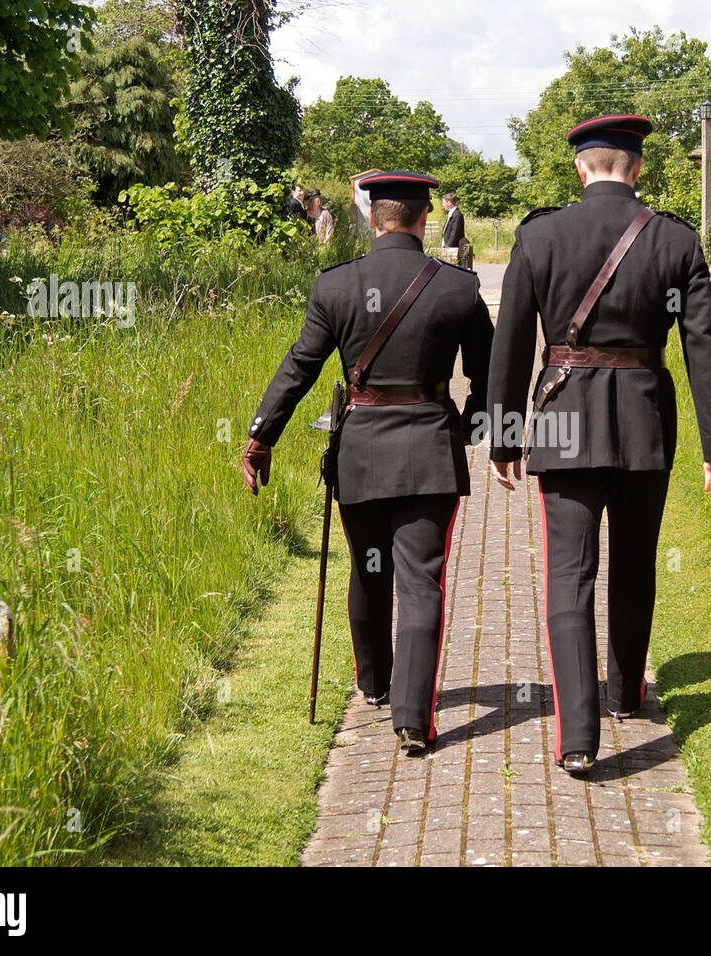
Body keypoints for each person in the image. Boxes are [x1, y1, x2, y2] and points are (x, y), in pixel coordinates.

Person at [485, 114, 711, 775]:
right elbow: (703, 344)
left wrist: (504, 435)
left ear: (580, 167)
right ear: (639, 168)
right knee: (634, 563)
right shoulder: (674, 241)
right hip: (643, 422)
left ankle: (577, 737)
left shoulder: (540, 236)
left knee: (569, 575)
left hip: (563, 419)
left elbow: (510, 341)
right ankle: (626, 693)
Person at [243, 171, 494, 753]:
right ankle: (412, 718)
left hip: (359, 451)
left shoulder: (336, 285)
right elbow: (490, 372)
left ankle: (374, 683)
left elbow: (299, 368)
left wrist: (261, 438)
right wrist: (472, 426)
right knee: (422, 581)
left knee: (369, 568)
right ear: (424, 216)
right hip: (431, 449)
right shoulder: (458, 289)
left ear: (373, 217)